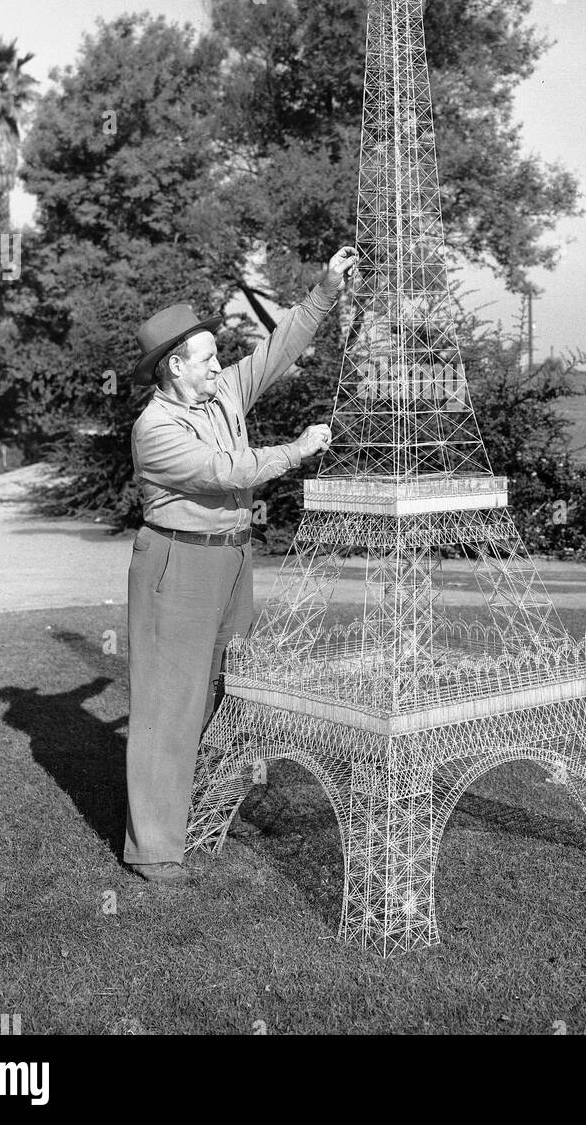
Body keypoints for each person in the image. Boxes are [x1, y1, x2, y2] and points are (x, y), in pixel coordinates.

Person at [124, 245, 357, 883]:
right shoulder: (157, 429)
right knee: (170, 701)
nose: (218, 366)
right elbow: (226, 473)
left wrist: (325, 290)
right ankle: (155, 847)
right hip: (178, 565)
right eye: (205, 360)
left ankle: (201, 809)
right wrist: (299, 449)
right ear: (175, 368)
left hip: (232, 560)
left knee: (229, 690)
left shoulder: (221, 393)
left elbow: (275, 353)